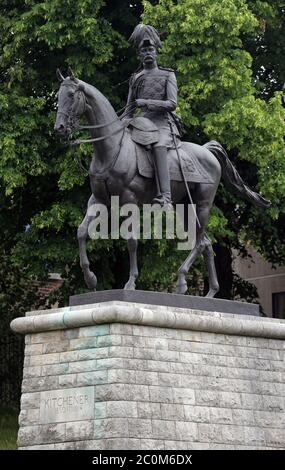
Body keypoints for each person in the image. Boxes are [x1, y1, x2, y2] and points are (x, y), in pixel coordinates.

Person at [123, 24, 181, 208]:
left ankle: (165, 196)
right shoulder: (135, 77)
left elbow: (172, 104)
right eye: (144, 50)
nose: (148, 52)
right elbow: (129, 109)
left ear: (156, 52)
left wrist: (147, 103)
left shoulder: (167, 75)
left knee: (158, 145)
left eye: (150, 49)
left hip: (163, 123)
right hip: (141, 123)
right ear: (139, 54)